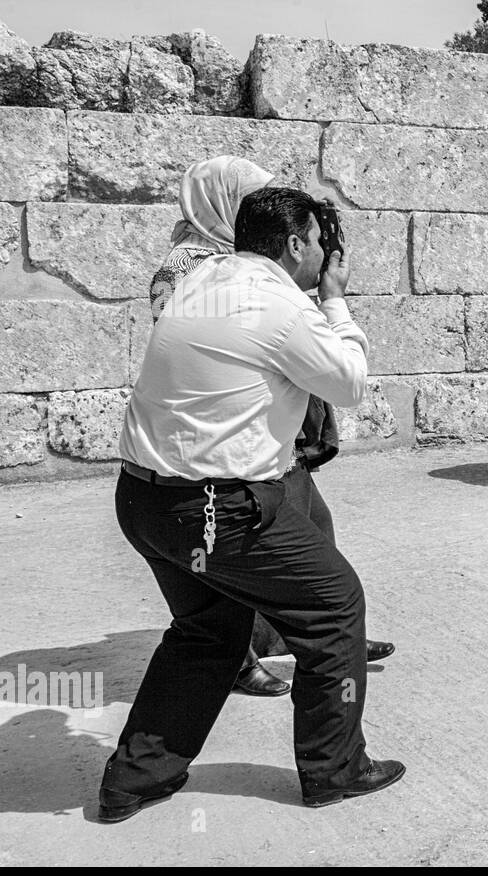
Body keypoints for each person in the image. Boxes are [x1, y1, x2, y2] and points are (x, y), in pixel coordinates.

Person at [100, 186, 405, 821]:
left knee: (208, 630)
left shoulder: (203, 277)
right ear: (296, 245)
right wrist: (335, 298)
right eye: (319, 242)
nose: (325, 254)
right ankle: (335, 768)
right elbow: (347, 383)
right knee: (334, 605)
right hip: (215, 511)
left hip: (144, 500)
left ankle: (135, 778)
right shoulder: (280, 306)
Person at [148, 156, 394, 698]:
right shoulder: (190, 264)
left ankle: (311, 635)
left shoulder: (242, 265)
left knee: (312, 526)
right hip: (224, 441)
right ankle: (246, 657)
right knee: (230, 562)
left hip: (271, 427)